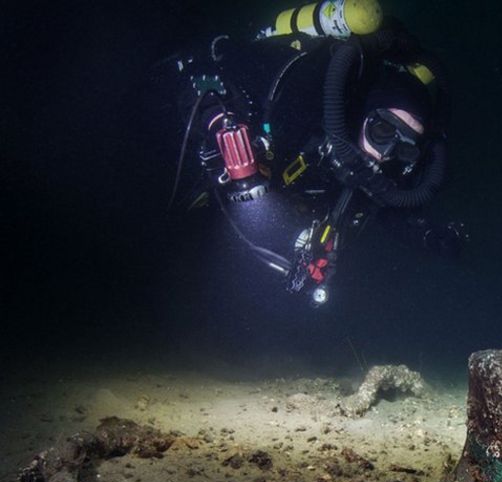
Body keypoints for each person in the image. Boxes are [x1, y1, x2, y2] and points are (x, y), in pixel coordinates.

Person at [168, 0, 465, 307]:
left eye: (403, 149)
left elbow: (386, 213)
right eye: (382, 132)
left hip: (219, 250)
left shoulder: (374, 177)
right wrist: (220, 127)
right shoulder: (299, 100)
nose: (386, 154)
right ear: (361, 115)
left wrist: (428, 236)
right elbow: (203, 70)